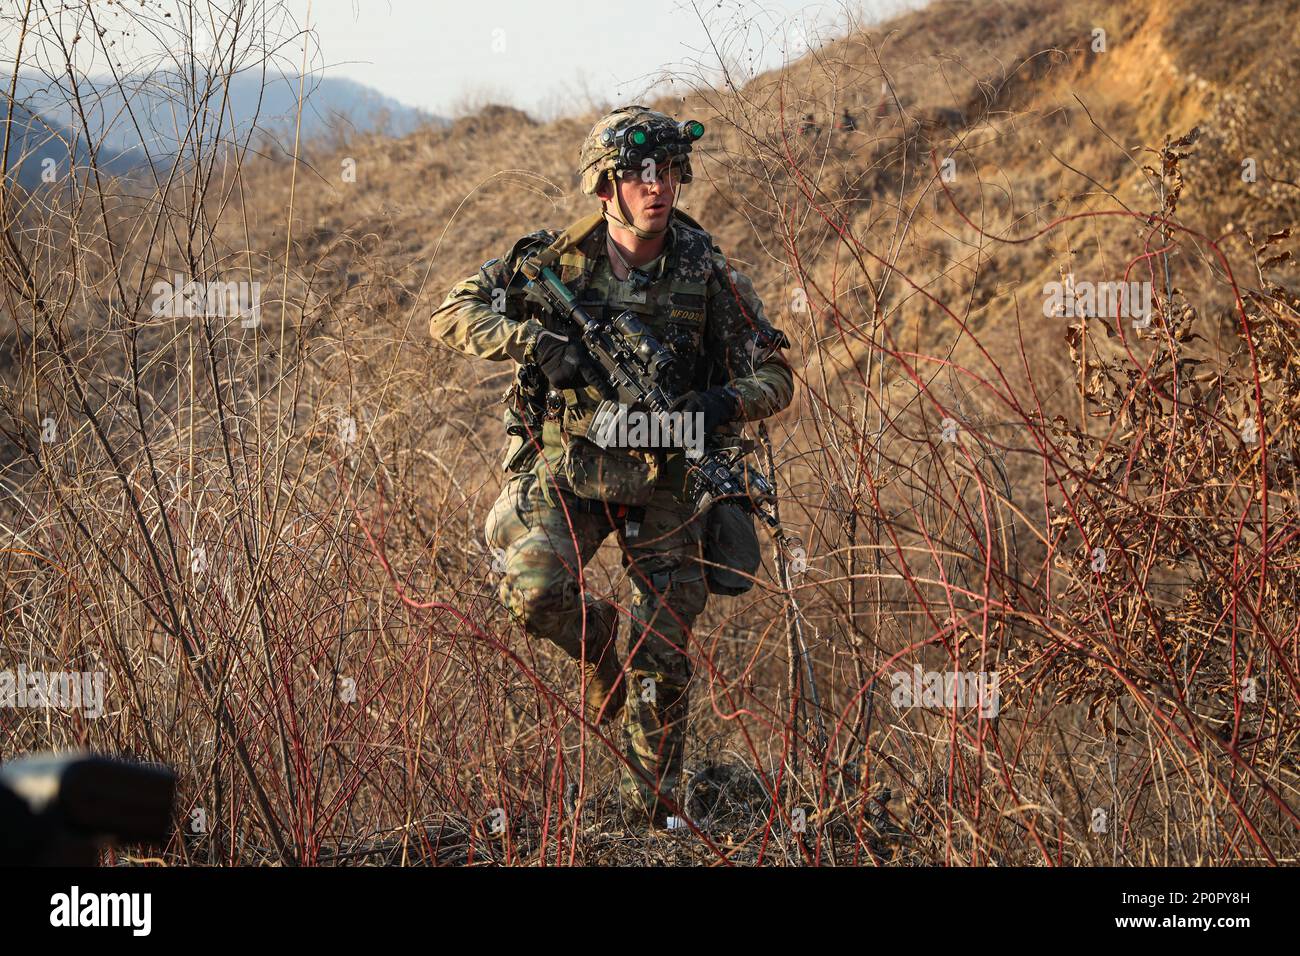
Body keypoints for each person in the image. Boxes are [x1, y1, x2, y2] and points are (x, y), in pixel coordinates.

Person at [428, 105, 794, 830]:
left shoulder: (708, 273)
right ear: (605, 186)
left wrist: (720, 400)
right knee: (534, 591)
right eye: (640, 174)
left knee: (663, 652)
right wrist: (535, 344)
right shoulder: (554, 263)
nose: (659, 187)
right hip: (577, 463)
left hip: (669, 476)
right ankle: (599, 650)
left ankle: (648, 814)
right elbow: (451, 313)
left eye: (670, 172)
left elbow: (777, 377)